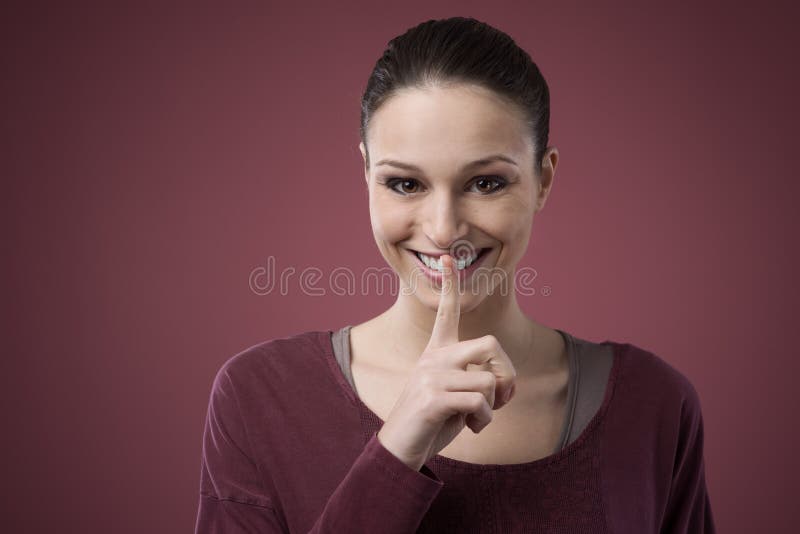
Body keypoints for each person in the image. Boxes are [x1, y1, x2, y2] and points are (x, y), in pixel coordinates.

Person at [194, 16, 716, 533]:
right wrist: (396, 451)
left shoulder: (653, 405)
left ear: (543, 180)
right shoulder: (258, 398)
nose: (444, 230)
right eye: (405, 184)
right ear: (367, 174)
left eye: (486, 183)